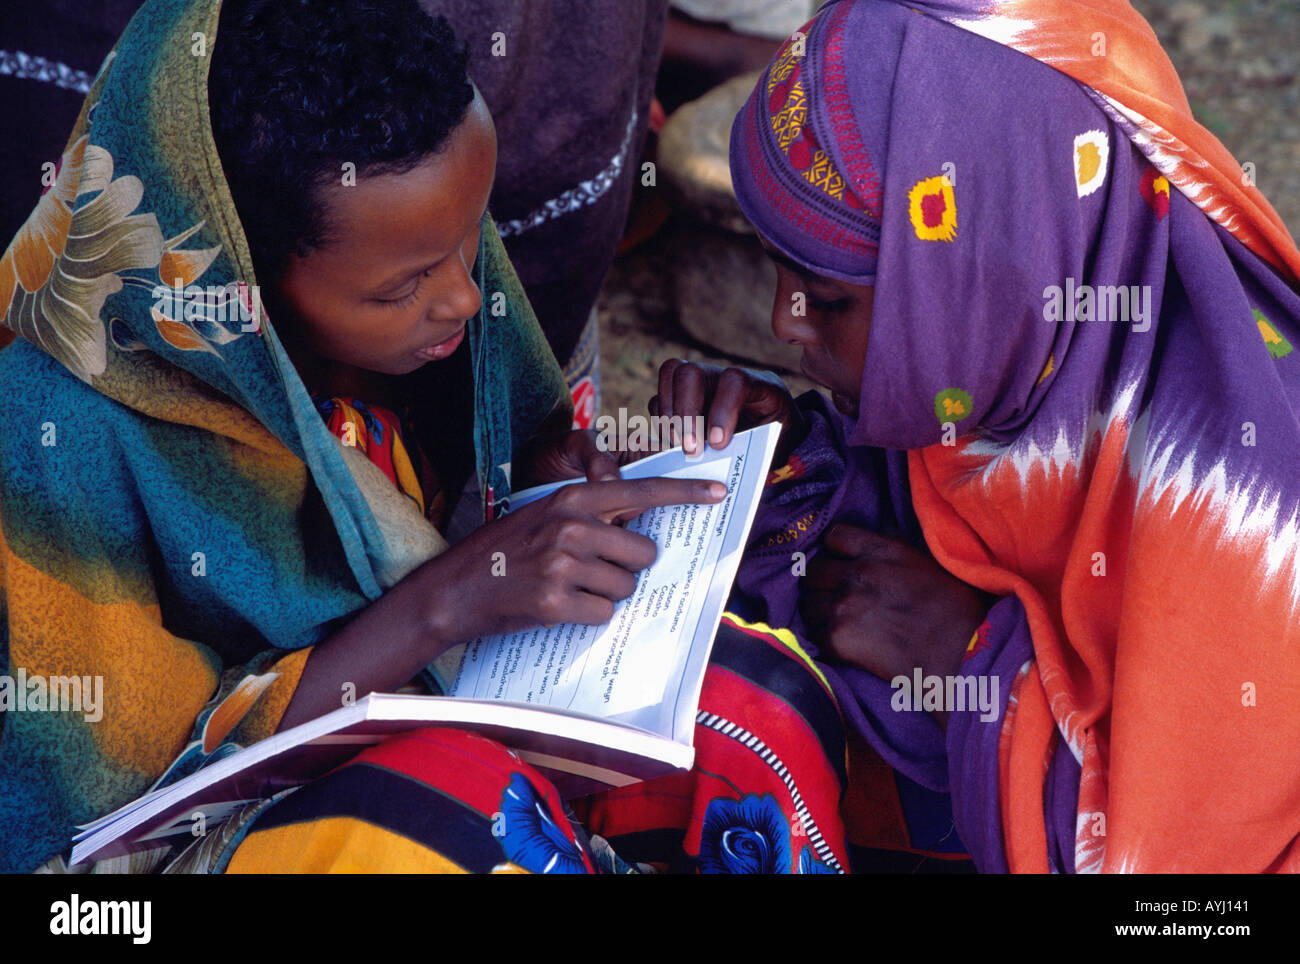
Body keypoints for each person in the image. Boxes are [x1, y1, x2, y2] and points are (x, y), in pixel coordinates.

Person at [0, 0, 725, 874]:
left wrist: (537, 479)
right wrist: (442, 605)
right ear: (232, 280)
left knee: (739, 702)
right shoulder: (52, 434)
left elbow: (435, 504)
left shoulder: (396, 334)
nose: (465, 298)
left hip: (428, 716)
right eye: (402, 286)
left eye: (472, 238)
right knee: (465, 815)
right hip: (173, 855)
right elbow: (114, 808)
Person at [656, 0, 1300, 872]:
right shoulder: (1018, 355)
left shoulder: (1241, 515)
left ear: (990, 277)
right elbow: (878, 561)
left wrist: (967, 663)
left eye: (827, 298)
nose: (784, 323)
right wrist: (781, 467)